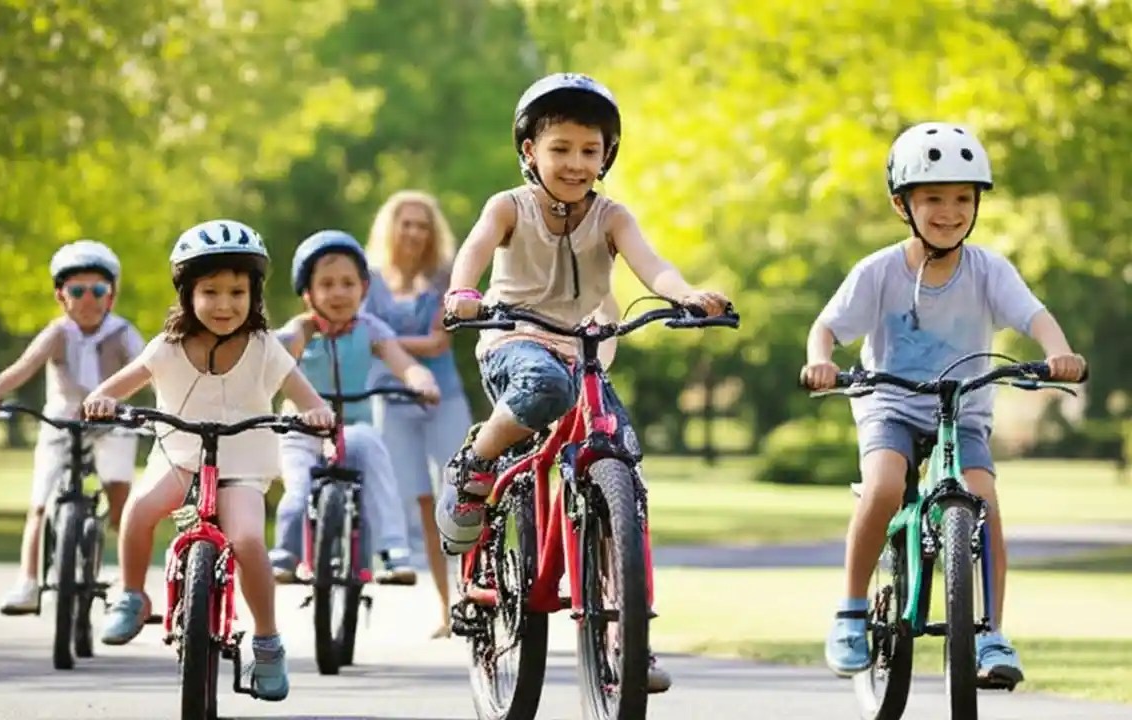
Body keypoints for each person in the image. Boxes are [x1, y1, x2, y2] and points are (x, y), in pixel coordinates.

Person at [435, 72, 732, 694]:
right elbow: (474, 251)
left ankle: (631, 636)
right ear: (529, 152)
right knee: (544, 389)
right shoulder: (508, 208)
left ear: (607, 156)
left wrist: (685, 296)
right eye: (560, 148)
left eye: (590, 151)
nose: (575, 163)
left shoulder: (611, 215)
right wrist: (464, 293)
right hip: (516, 342)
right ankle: (475, 465)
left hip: (585, 353)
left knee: (622, 464)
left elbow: (653, 266)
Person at [800, 121, 1087, 685]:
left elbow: (1034, 316)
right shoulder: (879, 271)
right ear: (902, 205)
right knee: (884, 486)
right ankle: (852, 611)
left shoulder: (988, 270)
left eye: (963, 198)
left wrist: (1060, 352)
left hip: (963, 407)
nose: (949, 212)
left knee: (984, 504)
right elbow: (827, 327)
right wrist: (821, 361)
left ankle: (991, 635)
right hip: (890, 403)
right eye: (933, 198)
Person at [81, 219, 335, 701]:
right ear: (186, 294)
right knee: (138, 510)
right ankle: (133, 596)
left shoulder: (265, 349)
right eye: (211, 292)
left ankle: (266, 641)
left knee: (246, 540)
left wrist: (318, 414)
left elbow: (306, 396)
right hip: (179, 455)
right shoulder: (169, 347)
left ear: (254, 294)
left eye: (237, 292)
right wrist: (101, 401)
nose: (224, 305)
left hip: (242, 463)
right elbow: (115, 386)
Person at [0, 240, 144, 616]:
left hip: (111, 421)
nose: (88, 300)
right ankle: (28, 582)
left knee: (121, 502)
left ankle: (127, 583)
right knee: (41, 503)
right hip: (61, 419)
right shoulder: (57, 333)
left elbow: (151, 368)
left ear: (111, 296)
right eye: (77, 291)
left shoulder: (123, 332)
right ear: (61, 296)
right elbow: (25, 365)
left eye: (98, 290)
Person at [269, 229, 440, 587]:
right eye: (326, 284)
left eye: (348, 283)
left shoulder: (371, 329)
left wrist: (420, 380)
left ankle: (393, 553)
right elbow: (280, 353)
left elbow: (403, 362)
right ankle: (286, 553)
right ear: (307, 293)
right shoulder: (302, 329)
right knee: (298, 488)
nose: (338, 292)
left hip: (353, 429)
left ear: (363, 289)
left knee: (375, 460)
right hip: (302, 431)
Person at [362, 190, 474, 638]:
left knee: (463, 497)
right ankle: (447, 609)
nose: (413, 232)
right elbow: (366, 336)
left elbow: (439, 343)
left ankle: (473, 592)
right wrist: (382, 342)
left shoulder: (446, 277)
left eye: (422, 225)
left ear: (432, 233)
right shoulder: (368, 279)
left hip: (444, 398)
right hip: (391, 402)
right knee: (423, 507)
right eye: (406, 223)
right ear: (391, 228)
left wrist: (382, 341)